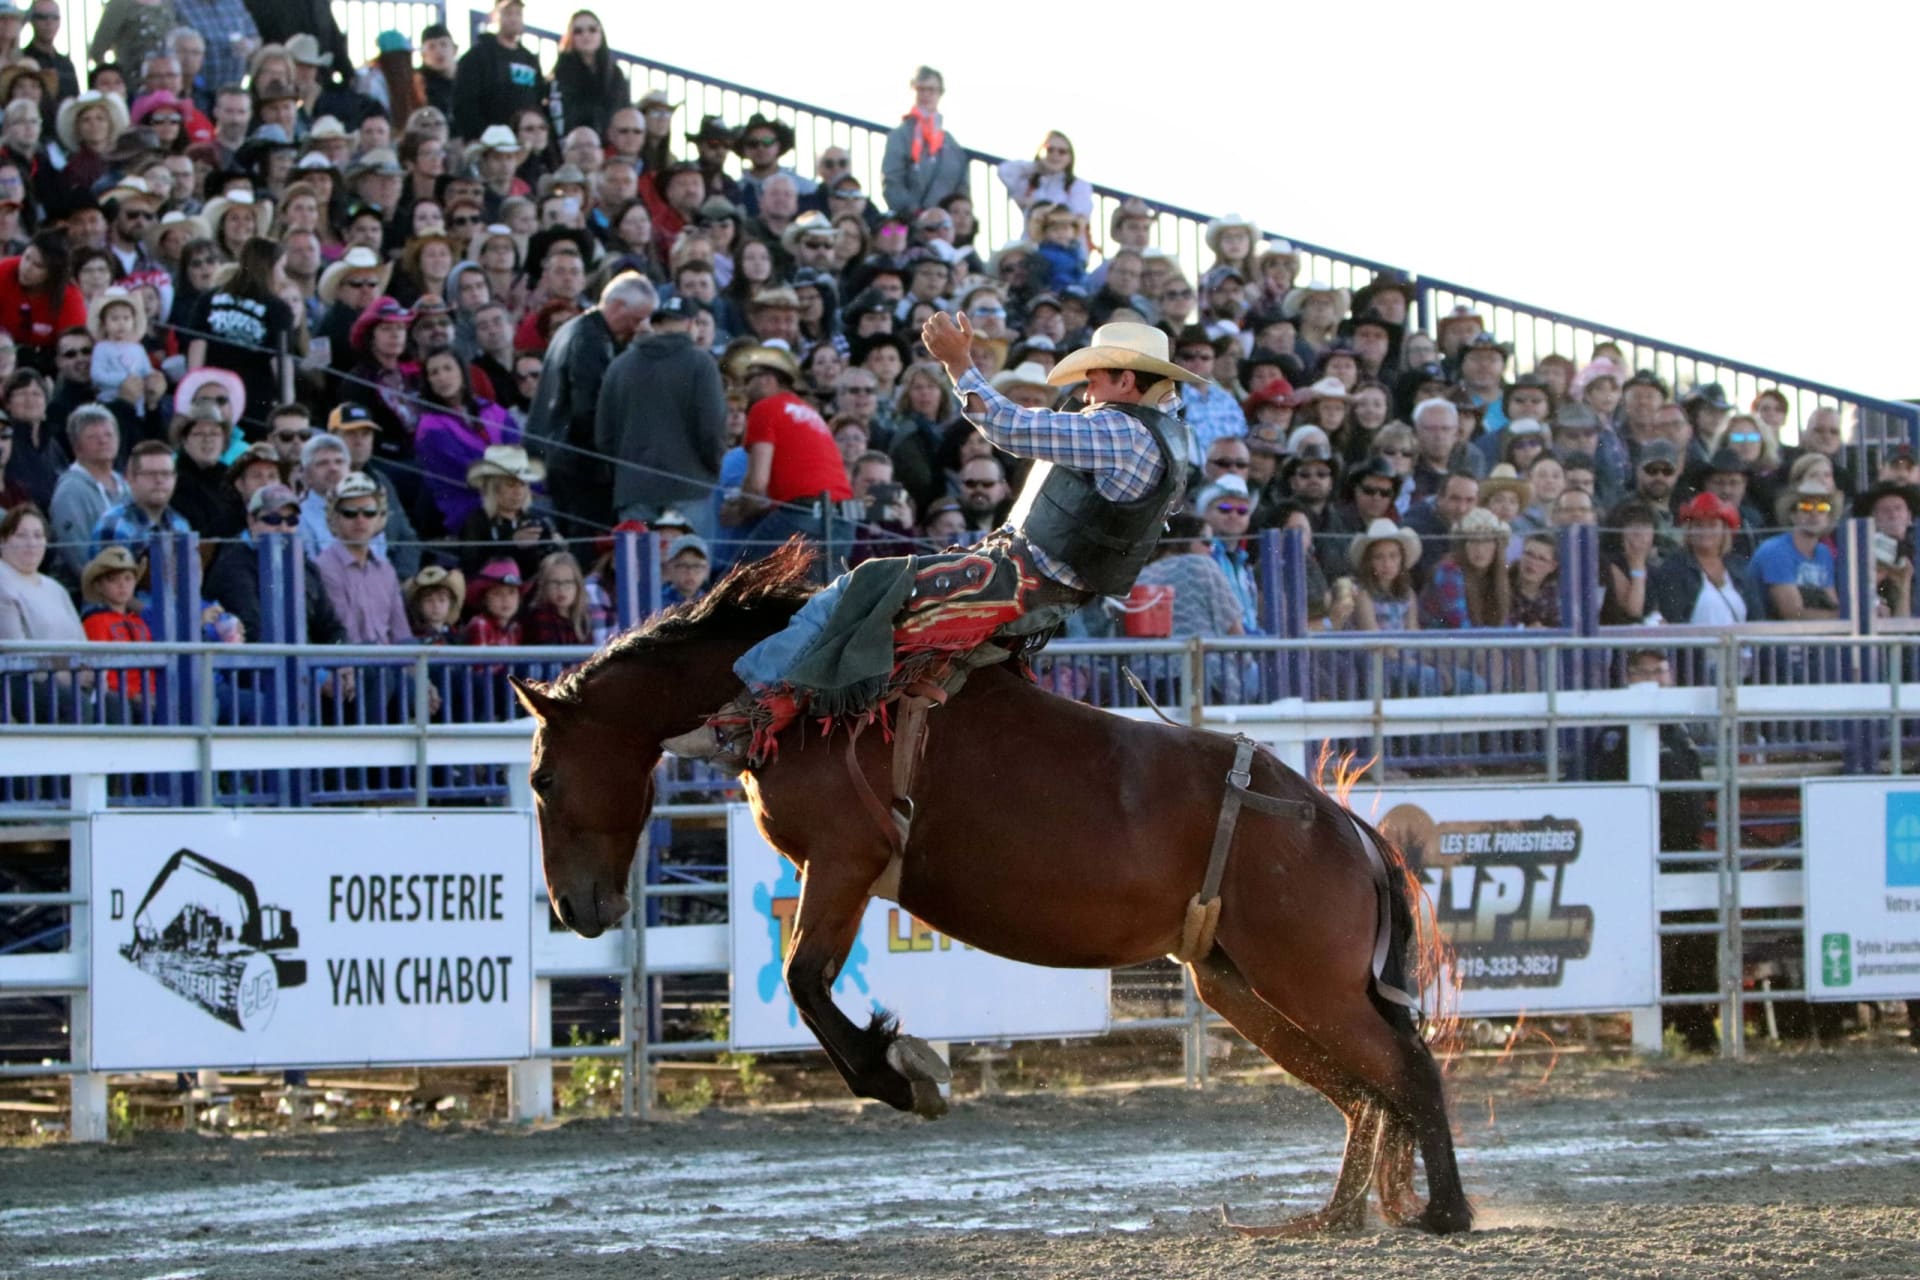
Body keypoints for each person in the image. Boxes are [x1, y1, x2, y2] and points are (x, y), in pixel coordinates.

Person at [673, 316, 1202, 769]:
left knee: (863, 586)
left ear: (1126, 380)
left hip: (1018, 579)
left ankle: (741, 720)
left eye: (1095, 381)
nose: (1087, 394)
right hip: (1046, 589)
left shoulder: (1121, 431)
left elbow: (1010, 427)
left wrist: (957, 364)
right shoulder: (1168, 436)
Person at [522, 271, 651, 531]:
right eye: (636, 319)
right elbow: (588, 408)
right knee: (586, 542)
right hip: (580, 465)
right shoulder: (590, 339)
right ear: (616, 307)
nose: (638, 328)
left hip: (559, 456)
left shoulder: (575, 328)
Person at [594, 288, 726, 531]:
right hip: (690, 490)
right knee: (688, 564)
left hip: (634, 490)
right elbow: (712, 430)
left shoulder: (620, 365)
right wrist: (714, 471)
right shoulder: (701, 363)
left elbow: (604, 438)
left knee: (637, 567)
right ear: (690, 325)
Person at [312, 471, 410, 644]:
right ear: (334, 518)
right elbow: (345, 634)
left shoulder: (386, 570)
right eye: (350, 513)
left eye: (369, 512)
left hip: (389, 665)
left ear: (380, 517)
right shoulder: (323, 567)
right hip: (351, 664)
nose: (360, 520)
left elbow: (401, 634)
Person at [457, 443, 561, 578]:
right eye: (510, 485)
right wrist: (512, 544)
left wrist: (555, 546)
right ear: (493, 488)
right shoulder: (476, 521)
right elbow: (471, 566)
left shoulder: (534, 520)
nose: (518, 492)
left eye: (523, 484)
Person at [1651, 492, 1753, 626]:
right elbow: (1673, 618)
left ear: (1724, 531)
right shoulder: (1674, 567)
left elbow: (1756, 617)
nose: (1705, 530)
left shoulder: (1740, 566)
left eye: (1712, 525)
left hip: (1739, 646)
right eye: (1698, 524)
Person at [47, 402, 125, 576]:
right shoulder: (70, 491)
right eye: (92, 437)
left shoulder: (124, 484)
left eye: (108, 434)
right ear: (76, 447)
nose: (103, 440)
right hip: (87, 591)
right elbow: (78, 557)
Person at [452, 0, 546, 141]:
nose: (513, 18)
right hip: (490, 144)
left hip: (526, 144)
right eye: (508, 13)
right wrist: (481, 136)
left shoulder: (530, 59)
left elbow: (538, 100)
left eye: (518, 13)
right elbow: (464, 102)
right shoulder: (477, 56)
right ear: (494, 16)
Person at [1750, 479, 1840, 621]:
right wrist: (1844, 617)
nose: (1815, 513)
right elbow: (1792, 613)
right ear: (1792, 515)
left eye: (1823, 507)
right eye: (1805, 507)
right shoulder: (1775, 550)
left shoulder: (1824, 553)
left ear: (1829, 517)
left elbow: (1832, 602)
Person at [880, 66, 965, 215]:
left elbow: (962, 188)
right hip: (910, 220)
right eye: (920, 89)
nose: (926, 95)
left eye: (931, 90)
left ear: (940, 93)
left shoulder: (951, 144)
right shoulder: (899, 136)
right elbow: (892, 181)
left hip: (944, 225)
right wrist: (914, 212)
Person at [90, 438, 189, 559]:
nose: (159, 480)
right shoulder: (114, 525)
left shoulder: (180, 524)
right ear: (131, 478)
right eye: (150, 474)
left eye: (166, 473)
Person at [78, 543, 154, 699]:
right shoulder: (95, 620)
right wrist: (131, 695)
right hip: (119, 699)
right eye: (112, 580)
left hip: (152, 696)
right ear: (99, 586)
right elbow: (101, 669)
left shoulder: (140, 622)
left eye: (128, 578)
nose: (122, 585)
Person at [520, 548, 591, 644]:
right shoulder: (538, 617)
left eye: (568, 582)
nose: (561, 589)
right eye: (555, 582)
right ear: (544, 585)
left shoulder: (583, 618)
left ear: (578, 586)